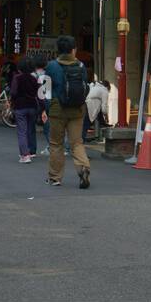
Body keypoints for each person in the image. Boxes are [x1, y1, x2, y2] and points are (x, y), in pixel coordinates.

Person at [43, 37, 92, 189]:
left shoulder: (51, 66)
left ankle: (55, 177)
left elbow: (46, 90)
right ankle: (83, 167)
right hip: (77, 108)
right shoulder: (81, 65)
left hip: (57, 109)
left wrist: (46, 108)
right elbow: (86, 87)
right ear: (73, 49)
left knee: (56, 143)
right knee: (76, 142)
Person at [11, 58, 42, 163]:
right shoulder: (34, 79)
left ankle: (25, 155)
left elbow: (14, 93)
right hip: (32, 106)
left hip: (20, 106)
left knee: (22, 132)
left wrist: (12, 102)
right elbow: (38, 93)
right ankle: (31, 150)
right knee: (30, 129)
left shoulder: (17, 78)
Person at [34, 57, 55, 155]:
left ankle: (51, 147)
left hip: (45, 103)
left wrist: (42, 108)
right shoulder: (49, 74)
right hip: (52, 101)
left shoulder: (38, 76)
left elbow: (41, 94)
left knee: (47, 127)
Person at [83, 74, 111, 143]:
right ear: (107, 86)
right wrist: (107, 116)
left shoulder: (95, 86)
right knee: (86, 123)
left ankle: (103, 123)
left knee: (85, 122)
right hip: (91, 107)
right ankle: (82, 139)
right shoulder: (104, 90)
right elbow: (104, 107)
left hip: (86, 104)